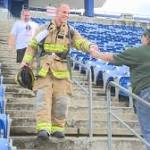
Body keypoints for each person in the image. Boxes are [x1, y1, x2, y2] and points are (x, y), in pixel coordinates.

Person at [20, 4, 99, 140]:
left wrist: (90, 46)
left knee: (62, 102)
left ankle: (58, 128)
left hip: (62, 73)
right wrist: (26, 62)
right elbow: (32, 46)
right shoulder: (43, 29)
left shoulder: (71, 31)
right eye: (64, 12)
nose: (66, 15)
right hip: (44, 71)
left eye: (68, 13)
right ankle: (43, 128)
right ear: (56, 12)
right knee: (43, 100)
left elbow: (81, 42)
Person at [90, 28, 150, 149]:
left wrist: (95, 53)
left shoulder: (138, 52)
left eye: (143, 35)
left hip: (145, 91)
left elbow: (112, 58)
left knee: (148, 133)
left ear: (147, 37)